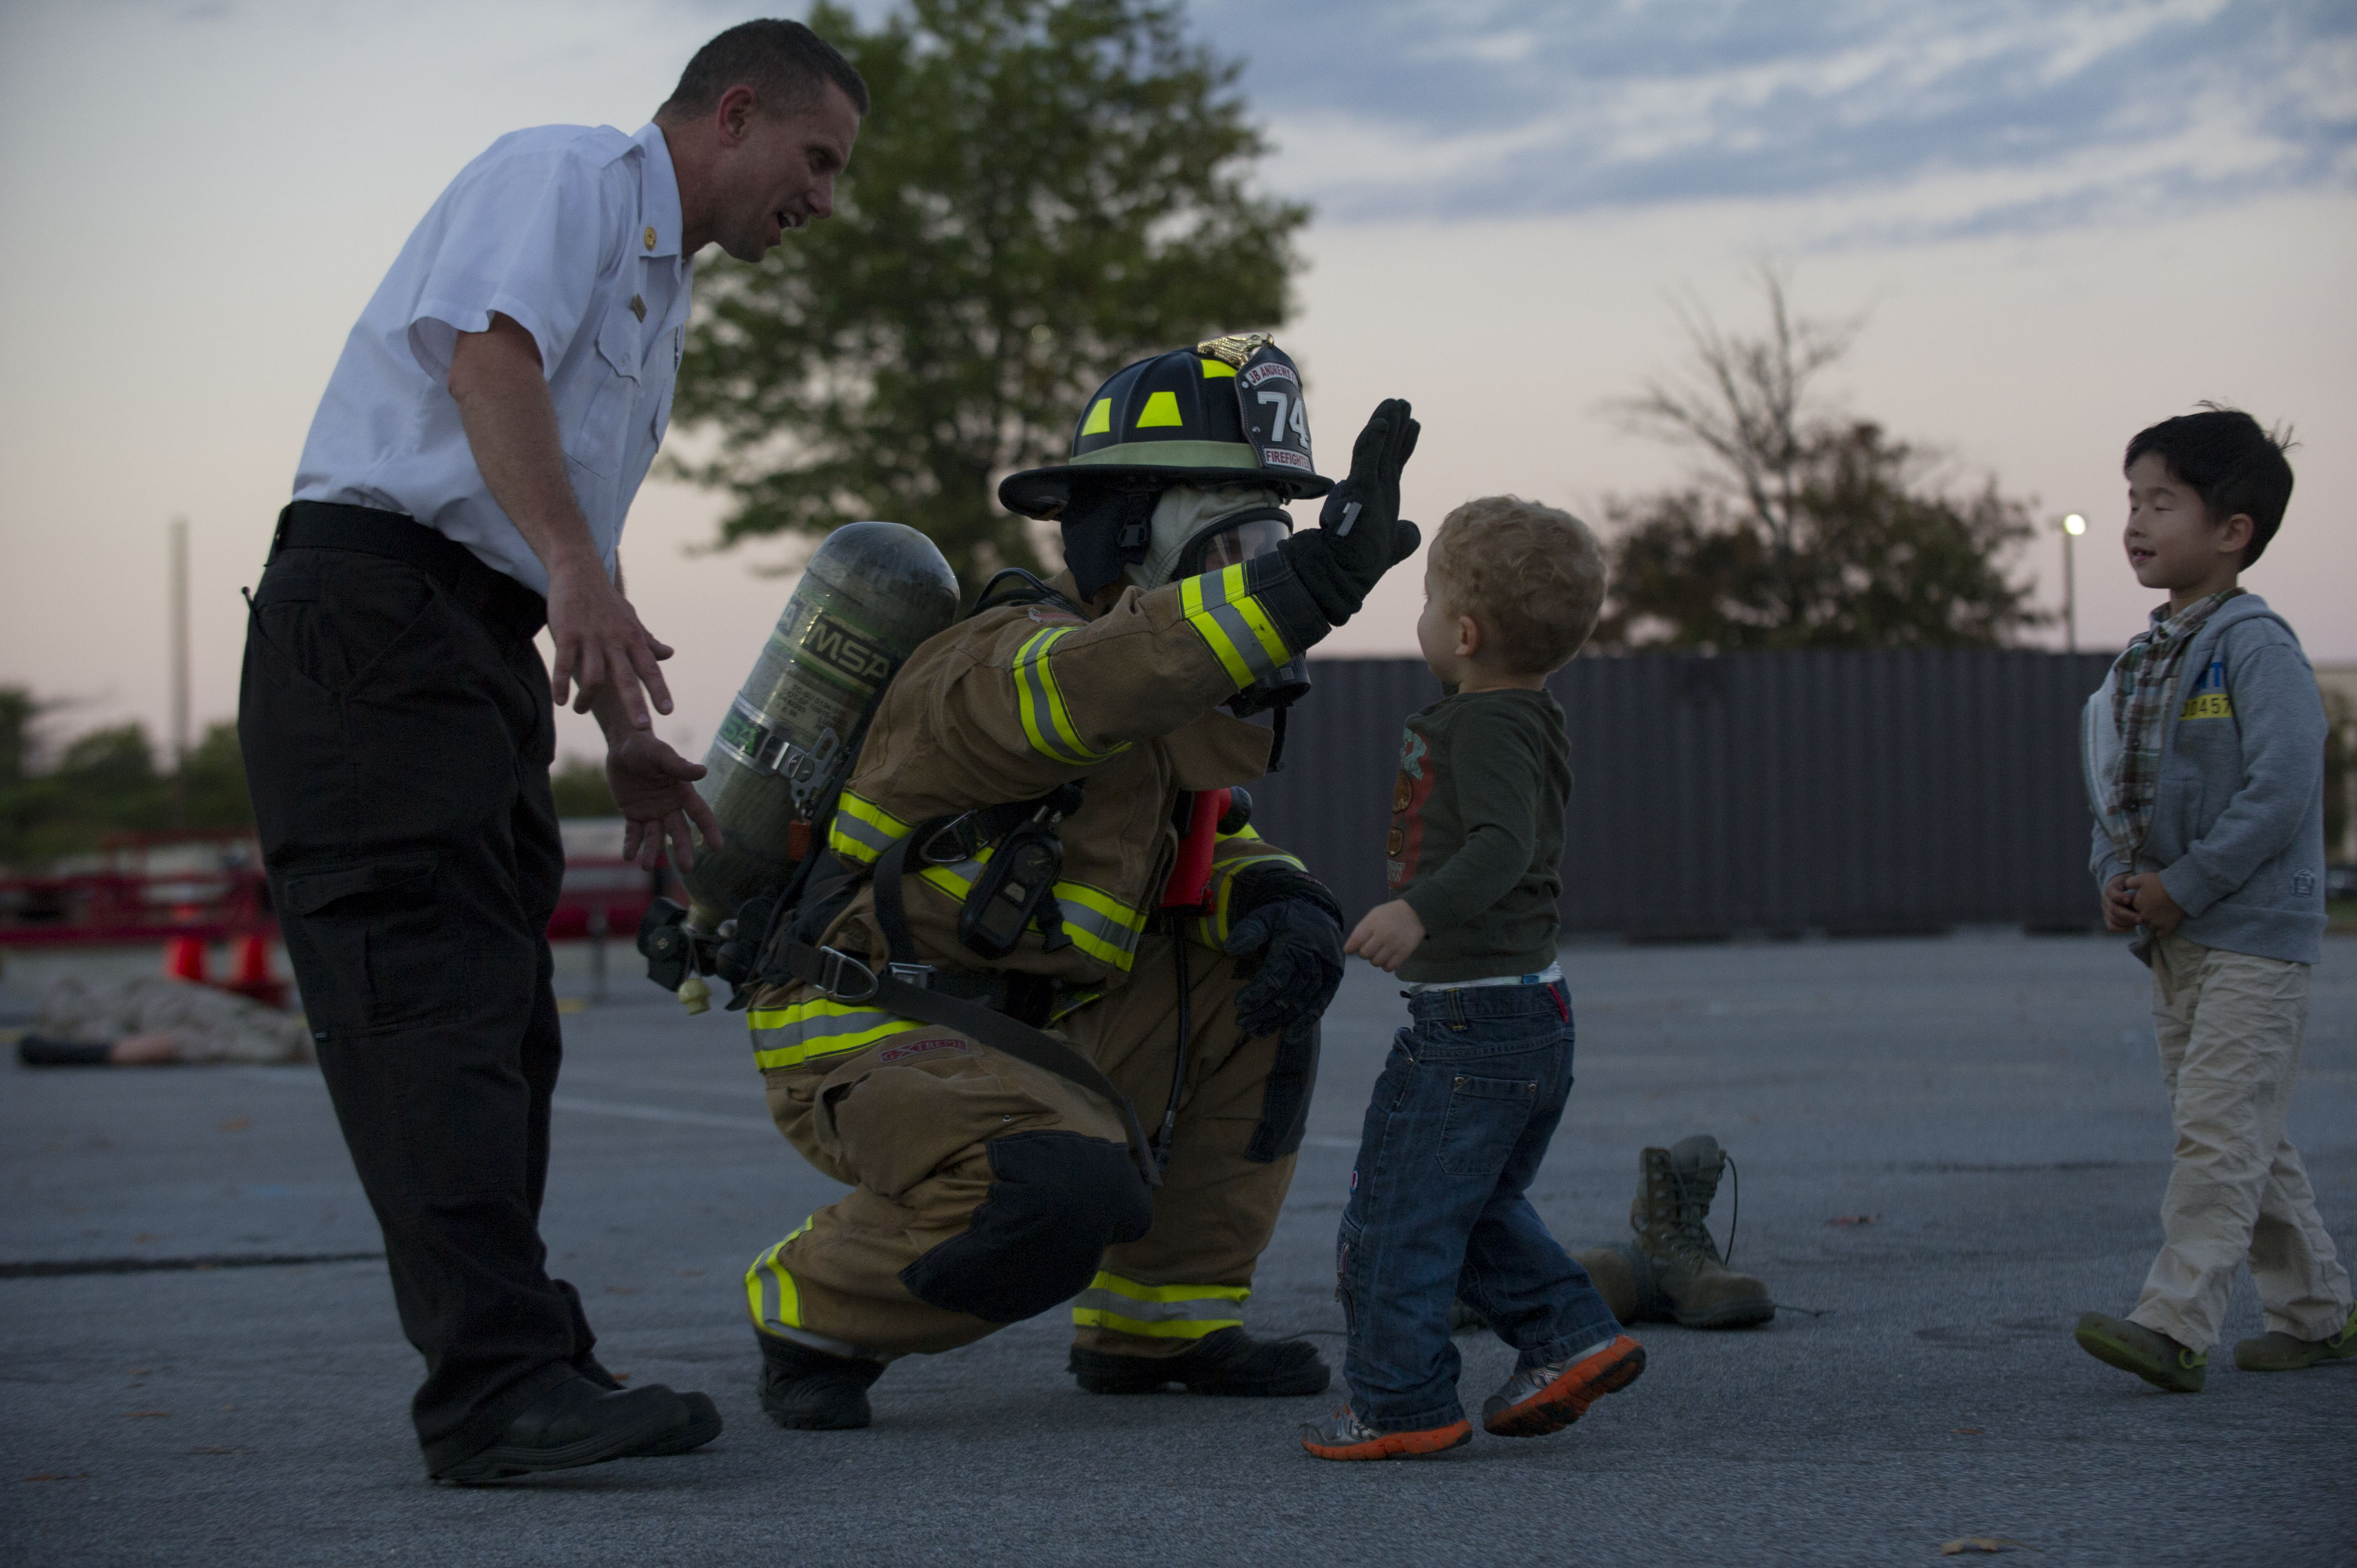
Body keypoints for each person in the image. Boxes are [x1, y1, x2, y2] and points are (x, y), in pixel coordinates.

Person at [236, 20, 867, 1482]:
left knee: (504, 1017)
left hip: (465, 643)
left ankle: (528, 1353)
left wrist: (629, 733)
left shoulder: (661, 296)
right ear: (732, 114)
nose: (826, 201)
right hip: (376, 624)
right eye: (817, 161)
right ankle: (490, 1390)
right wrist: (579, 575)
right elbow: (486, 360)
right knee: (430, 1010)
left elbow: (551, 538)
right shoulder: (571, 176)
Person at [735, 337, 1422, 1430]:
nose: (1249, 572)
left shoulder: (1164, 714)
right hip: (869, 1021)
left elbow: (1201, 842)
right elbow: (1093, 688)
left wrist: (1281, 899)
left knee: (1267, 987)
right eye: (1228, 546)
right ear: (1130, 540)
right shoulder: (1005, 663)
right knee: (1059, 1192)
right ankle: (812, 1306)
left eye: (1265, 542)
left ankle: (1160, 1326)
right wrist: (1298, 587)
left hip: (1021, 1026)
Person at [1301, 495, 1644, 1461]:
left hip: (1472, 1029)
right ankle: (1571, 1339)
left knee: (1394, 1216)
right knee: (1472, 1203)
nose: (1418, 617)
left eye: (1426, 599)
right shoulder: (1526, 715)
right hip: (1528, 1016)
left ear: (1462, 630)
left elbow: (1505, 844)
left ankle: (1400, 1403)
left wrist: (1419, 911)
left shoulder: (1489, 726)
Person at [2072, 407, 2353, 1392]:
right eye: (2132, 502)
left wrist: (2184, 885)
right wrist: (2118, 881)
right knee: (2245, 1132)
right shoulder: (2141, 661)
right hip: (2178, 944)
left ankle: (2174, 1322)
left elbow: (2280, 785)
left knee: (2216, 1134)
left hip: (2253, 941)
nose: (2137, 522)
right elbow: (2119, 788)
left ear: (2233, 531)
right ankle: (2318, 1315)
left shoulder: (2255, 648)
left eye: (2163, 502)